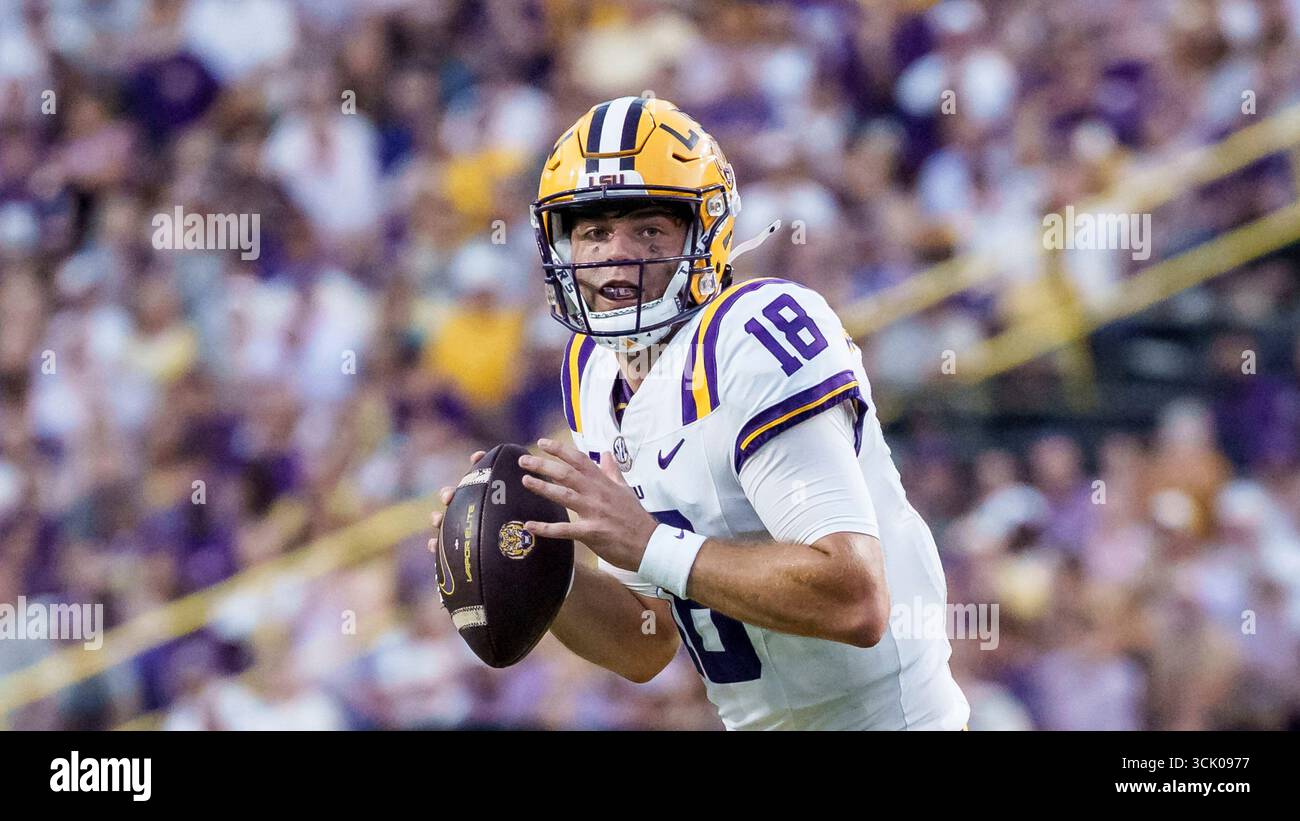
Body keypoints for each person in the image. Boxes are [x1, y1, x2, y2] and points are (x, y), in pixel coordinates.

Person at [430, 97, 969, 730]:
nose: (615, 255)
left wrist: (651, 542)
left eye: (649, 229)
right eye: (594, 231)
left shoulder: (750, 337)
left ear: (705, 233)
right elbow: (645, 641)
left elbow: (855, 599)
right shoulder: (591, 369)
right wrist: (540, 562)